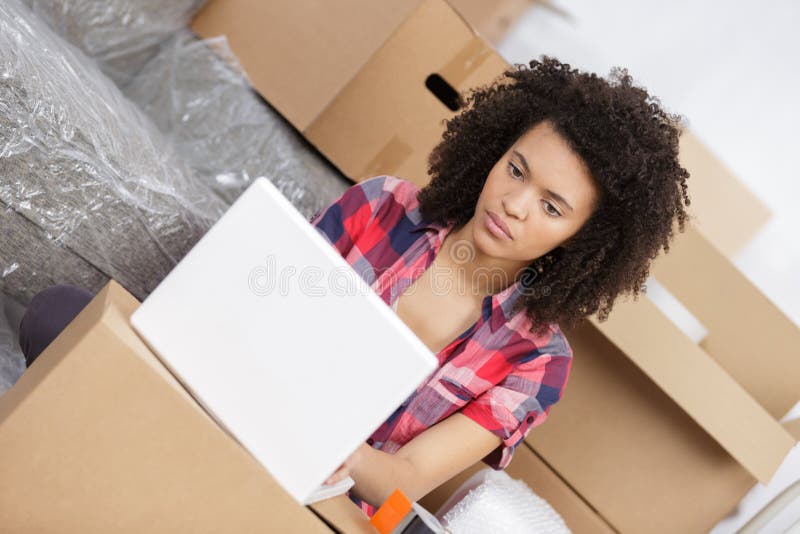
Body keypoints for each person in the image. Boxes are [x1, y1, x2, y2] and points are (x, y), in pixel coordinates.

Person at [18, 57, 691, 518]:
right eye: (516, 170)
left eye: (552, 207)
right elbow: (247, 311)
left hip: (310, 489)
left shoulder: (538, 363)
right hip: (224, 396)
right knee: (59, 316)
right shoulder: (383, 207)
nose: (515, 205)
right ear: (495, 152)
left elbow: (400, 483)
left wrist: (313, 435)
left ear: (583, 238)